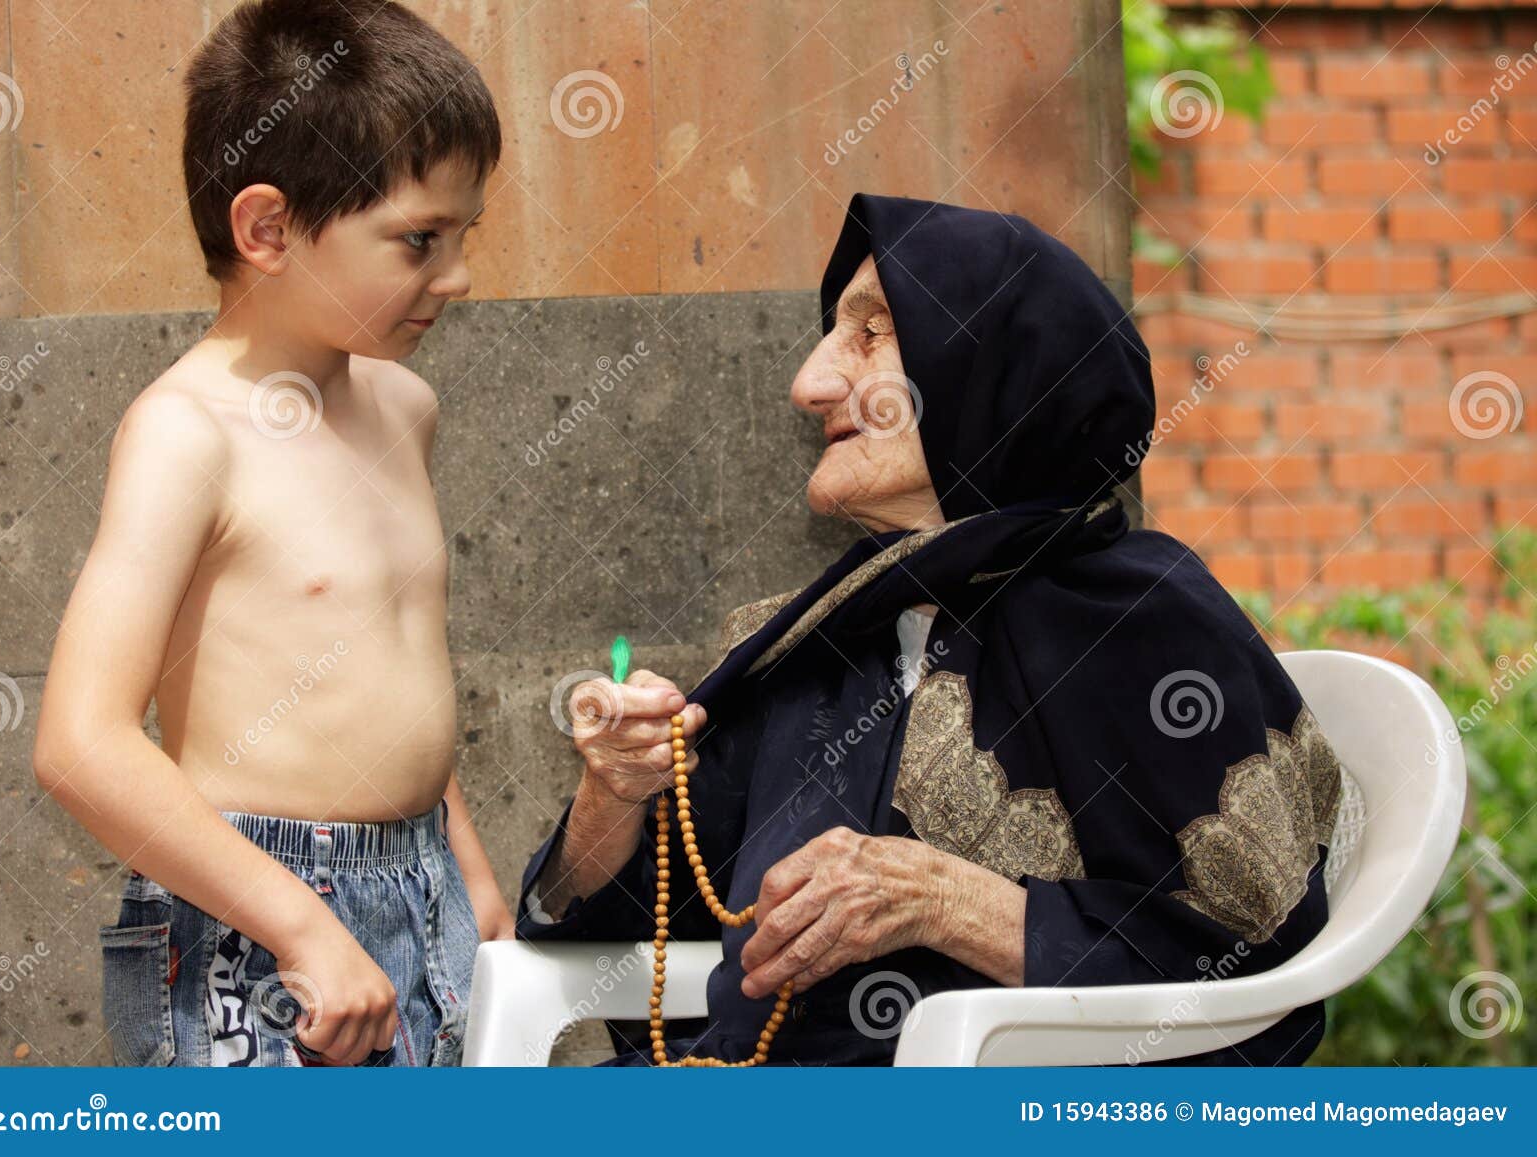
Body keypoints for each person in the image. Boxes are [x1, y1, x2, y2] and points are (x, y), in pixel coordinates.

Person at [517, 193, 1343, 1067]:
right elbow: (642, 930)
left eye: (870, 334)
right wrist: (611, 798)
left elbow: (1250, 950)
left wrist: (946, 899)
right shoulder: (816, 636)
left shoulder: (1141, 618)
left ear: (999, 367)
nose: (810, 383)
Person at [31, 0, 510, 1067]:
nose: (460, 275)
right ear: (267, 228)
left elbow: (395, 663)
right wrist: (299, 922)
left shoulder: (401, 409)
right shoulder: (186, 433)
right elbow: (80, 740)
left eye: (465, 234)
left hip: (420, 882)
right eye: (419, 240)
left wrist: (463, 865)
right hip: (259, 916)